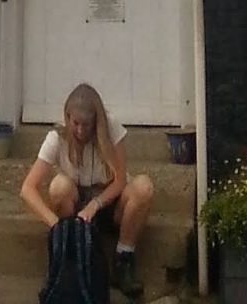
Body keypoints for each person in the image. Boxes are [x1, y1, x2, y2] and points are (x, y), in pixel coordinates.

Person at [20, 82, 154, 297]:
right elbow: (27, 188)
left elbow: (120, 180)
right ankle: (68, 254)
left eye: (87, 124)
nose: (81, 130)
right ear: (67, 117)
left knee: (143, 187)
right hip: (75, 208)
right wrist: (56, 225)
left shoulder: (112, 130)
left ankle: (123, 258)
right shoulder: (56, 137)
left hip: (109, 202)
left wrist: (96, 204)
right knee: (58, 187)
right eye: (76, 123)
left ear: (97, 121)